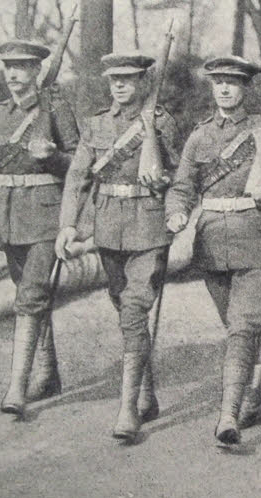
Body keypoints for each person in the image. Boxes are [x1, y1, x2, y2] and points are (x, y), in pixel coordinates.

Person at [165, 55, 261, 445]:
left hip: (255, 239)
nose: (224, 89)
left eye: (232, 83)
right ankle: (251, 396)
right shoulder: (199, 136)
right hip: (212, 244)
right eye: (218, 81)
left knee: (242, 327)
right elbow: (182, 185)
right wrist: (176, 212)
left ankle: (228, 416)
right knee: (236, 325)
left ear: (245, 88)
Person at [55, 52, 181, 442]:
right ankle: (144, 390)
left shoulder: (161, 122)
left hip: (148, 227)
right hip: (108, 229)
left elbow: (178, 174)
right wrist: (68, 225)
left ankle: (128, 410)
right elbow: (78, 176)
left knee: (133, 309)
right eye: (114, 80)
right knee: (124, 309)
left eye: (128, 78)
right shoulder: (96, 124)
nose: (120, 86)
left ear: (143, 81)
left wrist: (159, 176)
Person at [0, 40, 79, 418]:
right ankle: (47, 373)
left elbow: (79, 165)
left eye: (22, 67)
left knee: (30, 297)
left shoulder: (56, 109)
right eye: (8, 67)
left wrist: (52, 157)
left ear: (37, 72)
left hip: (45, 219)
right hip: (8, 220)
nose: (13, 74)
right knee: (31, 294)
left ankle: (16, 389)